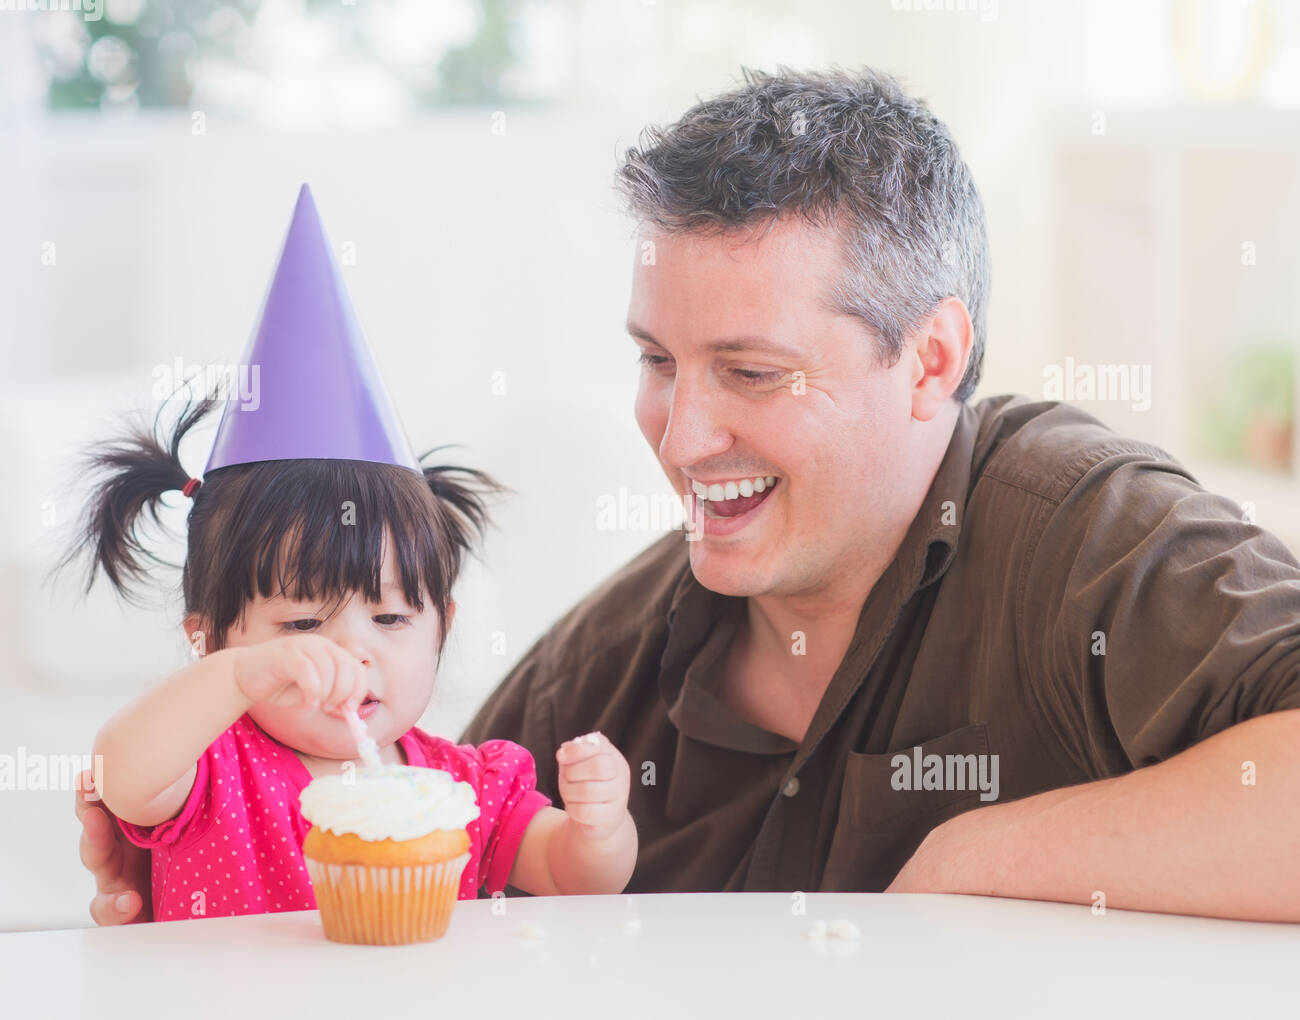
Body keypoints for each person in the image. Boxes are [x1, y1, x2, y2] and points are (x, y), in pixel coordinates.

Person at [80, 66, 1300, 925]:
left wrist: (973, 857)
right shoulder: (605, 671)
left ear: (929, 360)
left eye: (752, 372)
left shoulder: (1079, 539)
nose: (680, 430)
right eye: (656, 361)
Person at [65, 185, 636, 923]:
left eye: (392, 618)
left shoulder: (458, 790)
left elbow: (575, 877)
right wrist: (241, 678)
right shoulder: (211, 771)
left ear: (444, 626)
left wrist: (600, 826)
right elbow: (123, 771)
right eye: (300, 627)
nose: (349, 653)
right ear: (208, 640)